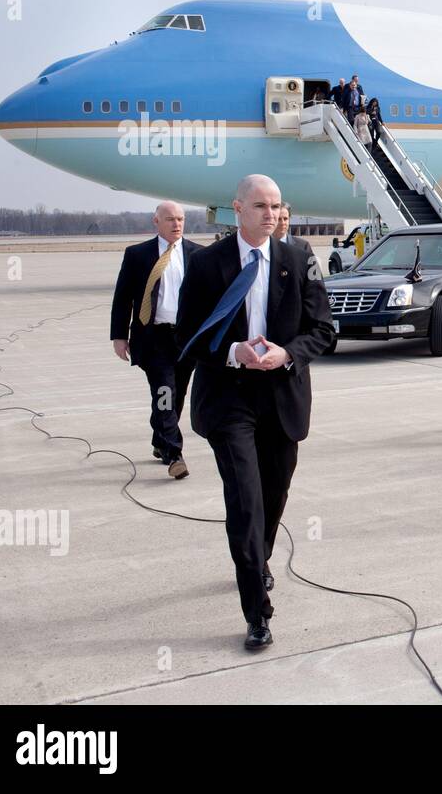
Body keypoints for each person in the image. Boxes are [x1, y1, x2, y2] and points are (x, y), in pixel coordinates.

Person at [175, 174, 334, 650]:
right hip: (229, 398)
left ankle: (257, 559)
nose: (270, 213)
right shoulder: (206, 264)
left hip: (282, 394)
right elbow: (189, 336)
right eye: (260, 205)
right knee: (245, 501)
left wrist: (285, 353)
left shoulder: (298, 258)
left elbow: (323, 330)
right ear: (237, 208)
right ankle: (257, 613)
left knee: (272, 493)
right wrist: (234, 352)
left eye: (276, 206)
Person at [110, 201, 201, 479]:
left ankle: (160, 441)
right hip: (153, 337)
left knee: (177, 395)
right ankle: (175, 453)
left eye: (181, 219)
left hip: (186, 337)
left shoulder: (198, 255)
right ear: (156, 222)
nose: (177, 224)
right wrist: (118, 336)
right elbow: (123, 297)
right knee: (164, 391)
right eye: (170, 219)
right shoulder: (138, 254)